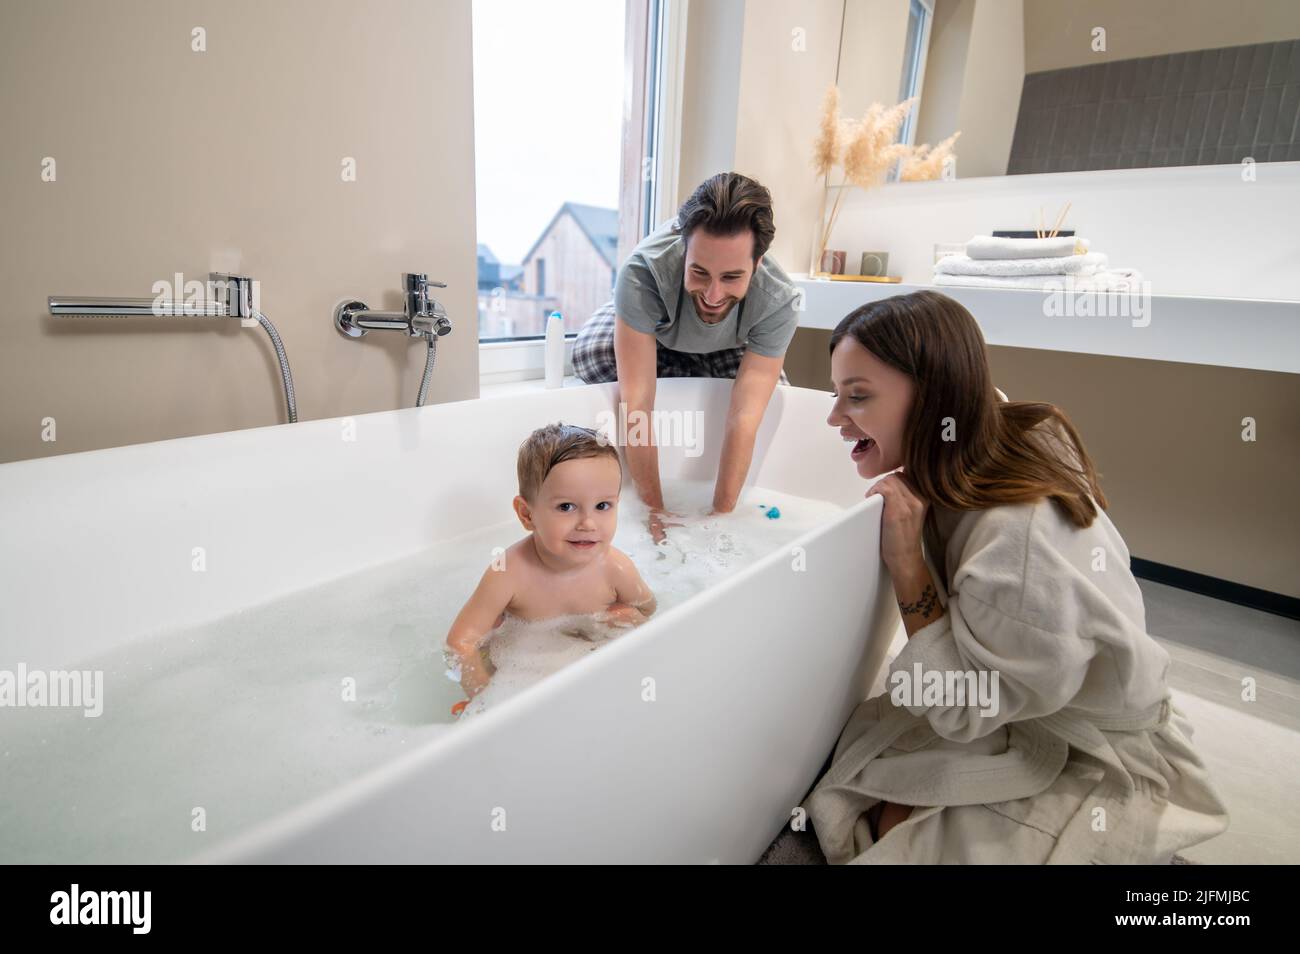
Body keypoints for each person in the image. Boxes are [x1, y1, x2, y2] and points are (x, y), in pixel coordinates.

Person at [801, 289, 1229, 863]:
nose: (834, 416)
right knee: (868, 771)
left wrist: (907, 564)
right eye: (836, 393)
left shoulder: (1017, 539)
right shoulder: (985, 431)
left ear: (934, 402)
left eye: (857, 397)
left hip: (1081, 739)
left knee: (882, 825)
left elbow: (960, 703)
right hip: (1028, 699)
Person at [572, 172, 800, 542]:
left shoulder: (779, 300)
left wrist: (720, 517)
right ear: (683, 249)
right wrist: (654, 513)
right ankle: (681, 361)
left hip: (730, 342)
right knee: (592, 353)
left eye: (731, 277)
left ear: (758, 264)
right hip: (656, 329)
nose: (712, 295)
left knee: (775, 396)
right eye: (699, 272)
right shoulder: (642, 273)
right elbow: (638, 406)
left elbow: (744, 417)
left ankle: (691, 363)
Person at [445, 423, 656, 703]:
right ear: (527, 515)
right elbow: (460, 642)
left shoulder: (616, 569)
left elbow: (649, 609)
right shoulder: (507, 573)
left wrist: (631, 617)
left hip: (593, 665)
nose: (588, 523)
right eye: (566, 507)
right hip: (522, 670)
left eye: (603, 506)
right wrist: (484, 699)